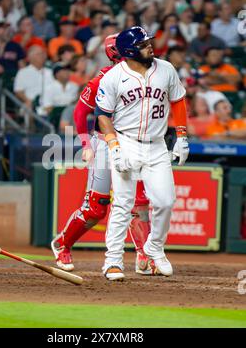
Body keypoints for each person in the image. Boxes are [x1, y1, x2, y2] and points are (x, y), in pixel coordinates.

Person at [51, 34, 156, 278]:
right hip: (105, 144)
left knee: (138, 201)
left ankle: (144, 255)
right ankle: (62, 245)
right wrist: (85, 143)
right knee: (96, 207)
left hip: (133, 144)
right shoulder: (104, 78)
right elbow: (80, 112)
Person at [95, 26, 189, 280]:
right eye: (143, 43)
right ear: (128, 50)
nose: (150, 46)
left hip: (157, 145)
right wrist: (114, 147)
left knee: (165, 201)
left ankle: (154, 248)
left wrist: (181, 136)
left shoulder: (166, 69)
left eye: (149, 41)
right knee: (123, 204)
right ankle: (112, 261)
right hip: (126, 141)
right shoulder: (113, 77)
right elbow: (102, 115)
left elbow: (178, 100)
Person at [14, 45, 53, 110]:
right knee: (29, 108)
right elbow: (18, 91)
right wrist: (28, 101)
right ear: (30, 57)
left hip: (50, 104)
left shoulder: (50, 72)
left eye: (43, 54)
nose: (42, 56)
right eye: (39, 54)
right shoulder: (23, 72)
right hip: (31, 103)